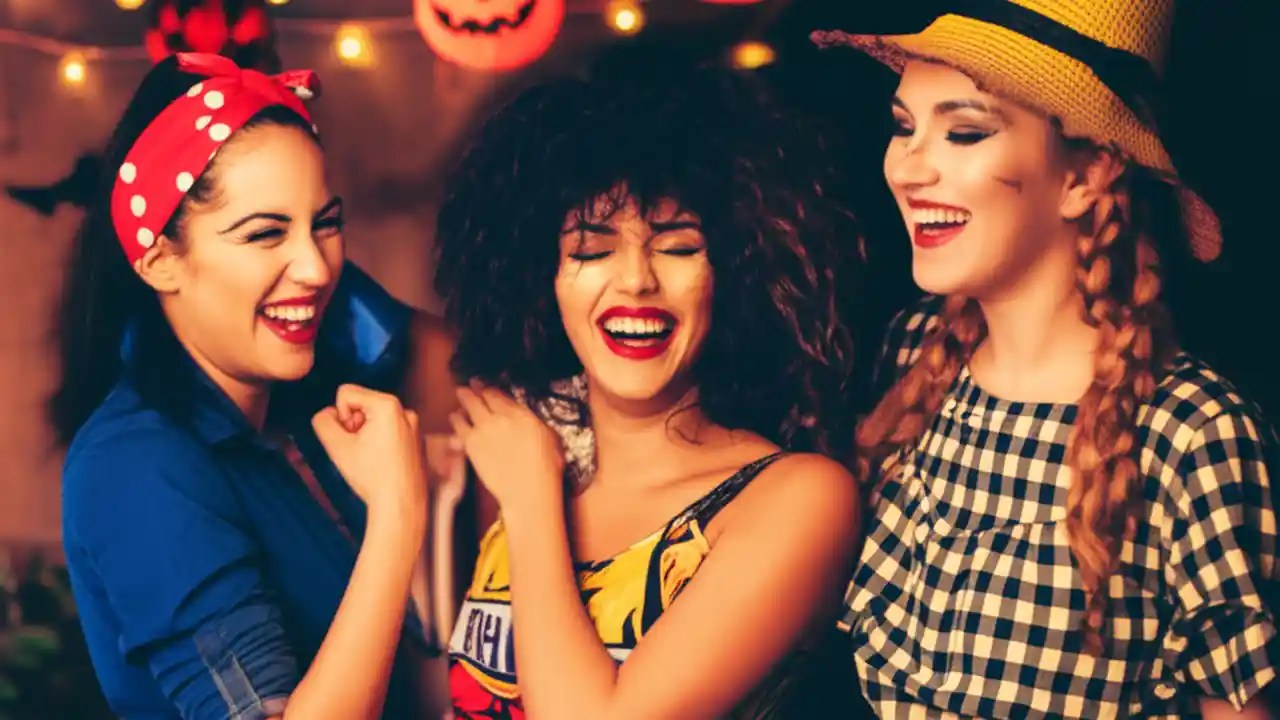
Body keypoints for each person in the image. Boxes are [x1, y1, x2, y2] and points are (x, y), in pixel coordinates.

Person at [810, 1, 1280, 717]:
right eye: (905, 127)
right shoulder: (913, 359)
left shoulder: (1193, 434)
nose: (908, 167)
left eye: (964, 133)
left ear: (1084, 175)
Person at [433, 68, 869, 718]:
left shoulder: (797, 498)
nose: (636, 280)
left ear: (735, 274)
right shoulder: (538, 458)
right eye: (591, 251)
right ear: (540, 278)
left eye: (678, 247)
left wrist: (527, 499)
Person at [53, 53, 438, 719]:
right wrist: (398, 517)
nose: (316, 268)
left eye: (325, 223)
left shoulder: (292, 413)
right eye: (265, 234)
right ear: (160, 261)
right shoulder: (136, 465)